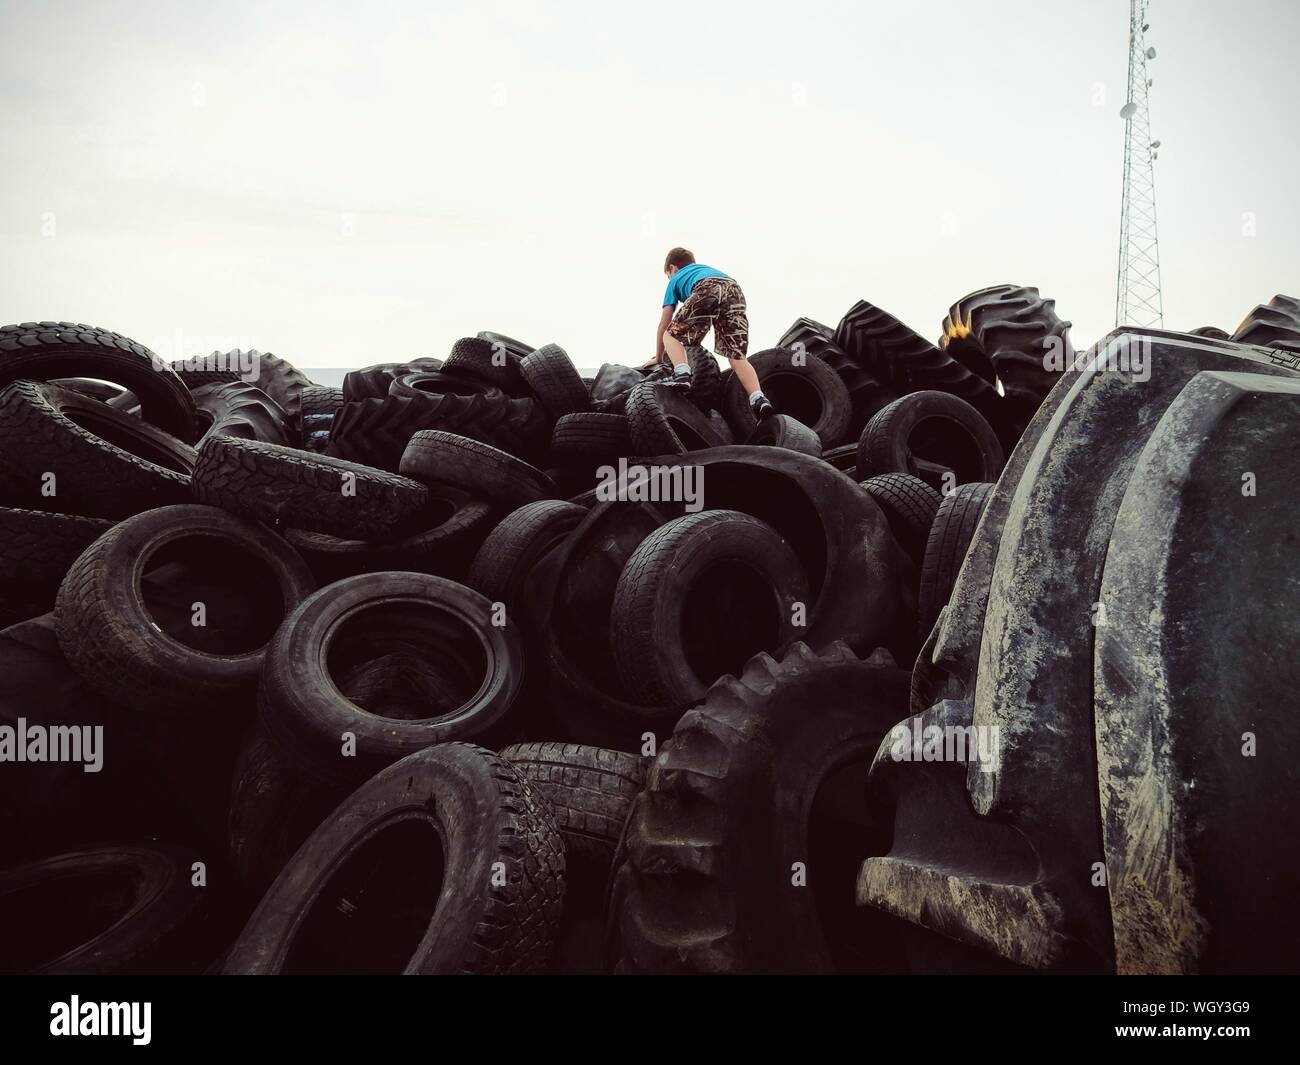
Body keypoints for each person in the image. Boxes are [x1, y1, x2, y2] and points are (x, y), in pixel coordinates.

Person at [648, 247, 773, 419]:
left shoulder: (675, 278)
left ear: (672, 268)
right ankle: (758, 399)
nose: (669, 278)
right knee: (736, 356)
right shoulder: (703, 270)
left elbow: (664, 323)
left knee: (670, 335)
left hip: (707, 288)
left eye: (668, 274)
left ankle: (682, 374)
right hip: (734, 290)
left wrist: (659, 357)